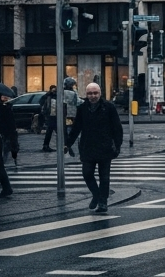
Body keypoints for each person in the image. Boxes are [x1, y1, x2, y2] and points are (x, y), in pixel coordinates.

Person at [64, 83, 123, 214]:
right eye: (90, 93)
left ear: (100, 93)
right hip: (87, 146)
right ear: (86, 95)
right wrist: (68, 143)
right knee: (87, 173)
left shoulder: (109, 107)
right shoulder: (82, 108)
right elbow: (76, 128)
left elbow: (117, 128)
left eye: (95, 93)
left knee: (104, 177)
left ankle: (103, 202)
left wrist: (117, 145)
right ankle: (96, 194)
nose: (93, 96)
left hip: (105, 147)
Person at [39, 85, 58, 151]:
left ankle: (46, 145)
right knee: (50, 131)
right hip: (50, 116)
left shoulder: (57, 96)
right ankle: (46, 145)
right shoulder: (47, 96)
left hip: (56, 116)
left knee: (54, 131)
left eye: (55, 90)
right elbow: (41, 102)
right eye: (53, 90)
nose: (54, 91)